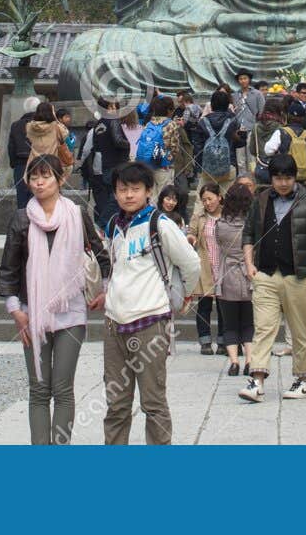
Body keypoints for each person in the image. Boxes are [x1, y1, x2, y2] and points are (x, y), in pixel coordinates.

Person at [0, 155, 111, 444]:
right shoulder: (22, 219)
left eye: (45, 176)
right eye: (34, 177)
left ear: (60, 179)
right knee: (38, 389)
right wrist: (15, 310)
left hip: (70, 312)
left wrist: (105, 289)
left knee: (62, 388)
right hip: (31, 311)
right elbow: (9, 268)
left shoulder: (76, 214)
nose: (38, 182)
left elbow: (101, 253)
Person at [101, 160, 201, 445]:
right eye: (123, 189)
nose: (128, 195)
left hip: (150, 324)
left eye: (135, 189)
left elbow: (191, 263)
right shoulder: (112, 224)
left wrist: (184, 295)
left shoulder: (160, 224)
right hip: (114, 324)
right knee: (116, 404)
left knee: (153, 403)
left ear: (148, 191)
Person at [240, 153, 306, 403]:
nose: (282, 183)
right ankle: (256, 380)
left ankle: (303, 381)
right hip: (265, 273)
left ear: (295, 177)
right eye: (278, 178)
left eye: (287, 178)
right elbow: (248, 234)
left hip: (299, 275)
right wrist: (250, 266)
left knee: (300, 330)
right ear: (271, 178)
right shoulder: (260, 200)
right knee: (263, 327)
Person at [213, 182, 256, 376]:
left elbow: (219, 246)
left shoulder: (220, 225)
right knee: (249, 323)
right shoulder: (253, 225)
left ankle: (233, 362)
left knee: (229, 324)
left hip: (227, 275)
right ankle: (249, 360)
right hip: (250, 275)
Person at [185, 182, 226, 353]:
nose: (207, 203)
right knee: (204, 304)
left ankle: (224, 341)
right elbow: (190, 232)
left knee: (224, 305)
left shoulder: (228, 215)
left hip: (223, 263)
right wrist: (191, 239)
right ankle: (205, 341)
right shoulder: (199, 216)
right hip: (205, 262)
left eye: (210, 199)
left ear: (219, 197)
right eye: (204, 200)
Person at [82, 99, 131, 227]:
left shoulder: (98, 124)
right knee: (116, 198)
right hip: (117, 163)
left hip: (105, 165)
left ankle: (108, 224)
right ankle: (103, 223)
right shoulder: (113, 121)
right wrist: (128, 145)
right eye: (115, 106)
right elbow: (118, 141)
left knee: (110, 196)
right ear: (110, 107)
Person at [195, 88, 244, 190]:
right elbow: (241, 143)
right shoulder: (234, 121)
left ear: (211, 105)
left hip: (207, 166)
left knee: (204, 197)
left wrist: (199, 167)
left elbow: (198, 146)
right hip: (229, 164)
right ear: (227, 105)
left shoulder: (203, 122)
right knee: (228, 199)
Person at [8, 95, 41, 209]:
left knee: (21, 199)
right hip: (38, 163)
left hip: (20, 164)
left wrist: (13, 163)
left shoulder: (16, 125)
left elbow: (11, 147)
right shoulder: (42, 125)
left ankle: (22, 224)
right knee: (37, 197)